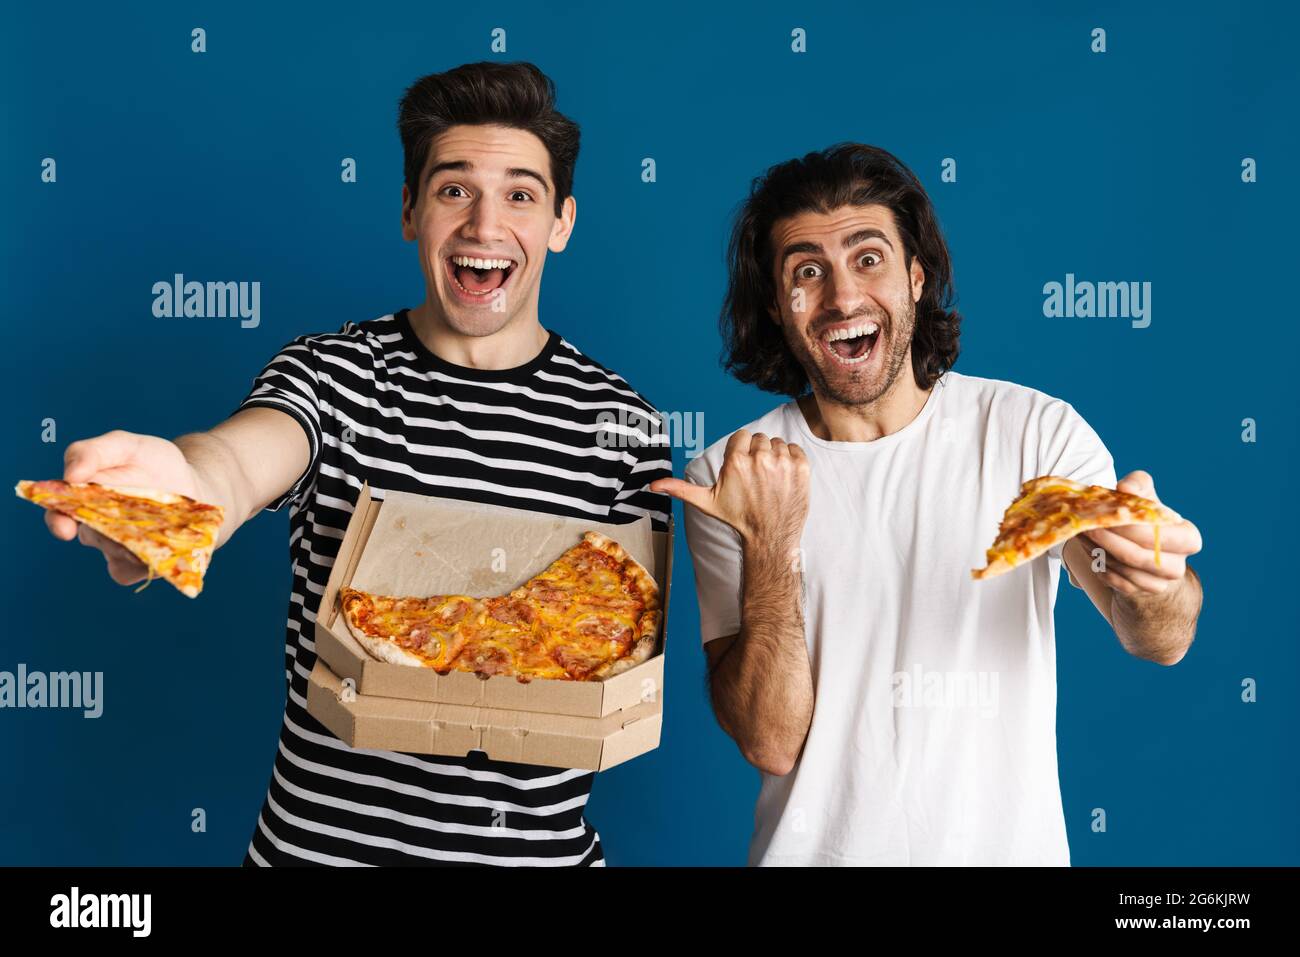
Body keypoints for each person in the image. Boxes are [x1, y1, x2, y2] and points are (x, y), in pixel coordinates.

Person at [45, 61, 670, 866]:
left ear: (562, 221)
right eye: (453, 190)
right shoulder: (331, 375)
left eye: (520, 194)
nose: (484, 225)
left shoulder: (624, 426)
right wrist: (187, 493)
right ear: (410, 210)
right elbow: (240, 457)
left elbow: (626, 648)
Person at [651, 143, 1203, 866]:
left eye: (869, 258)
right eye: (806, 272)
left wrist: (1153, 577)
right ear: (776, 308)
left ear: (916, 276)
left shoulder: (1033, 433)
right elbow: (770, 739)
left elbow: (1158, 639)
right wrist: (774, 541)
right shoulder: (734, 473)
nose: (843, 297)